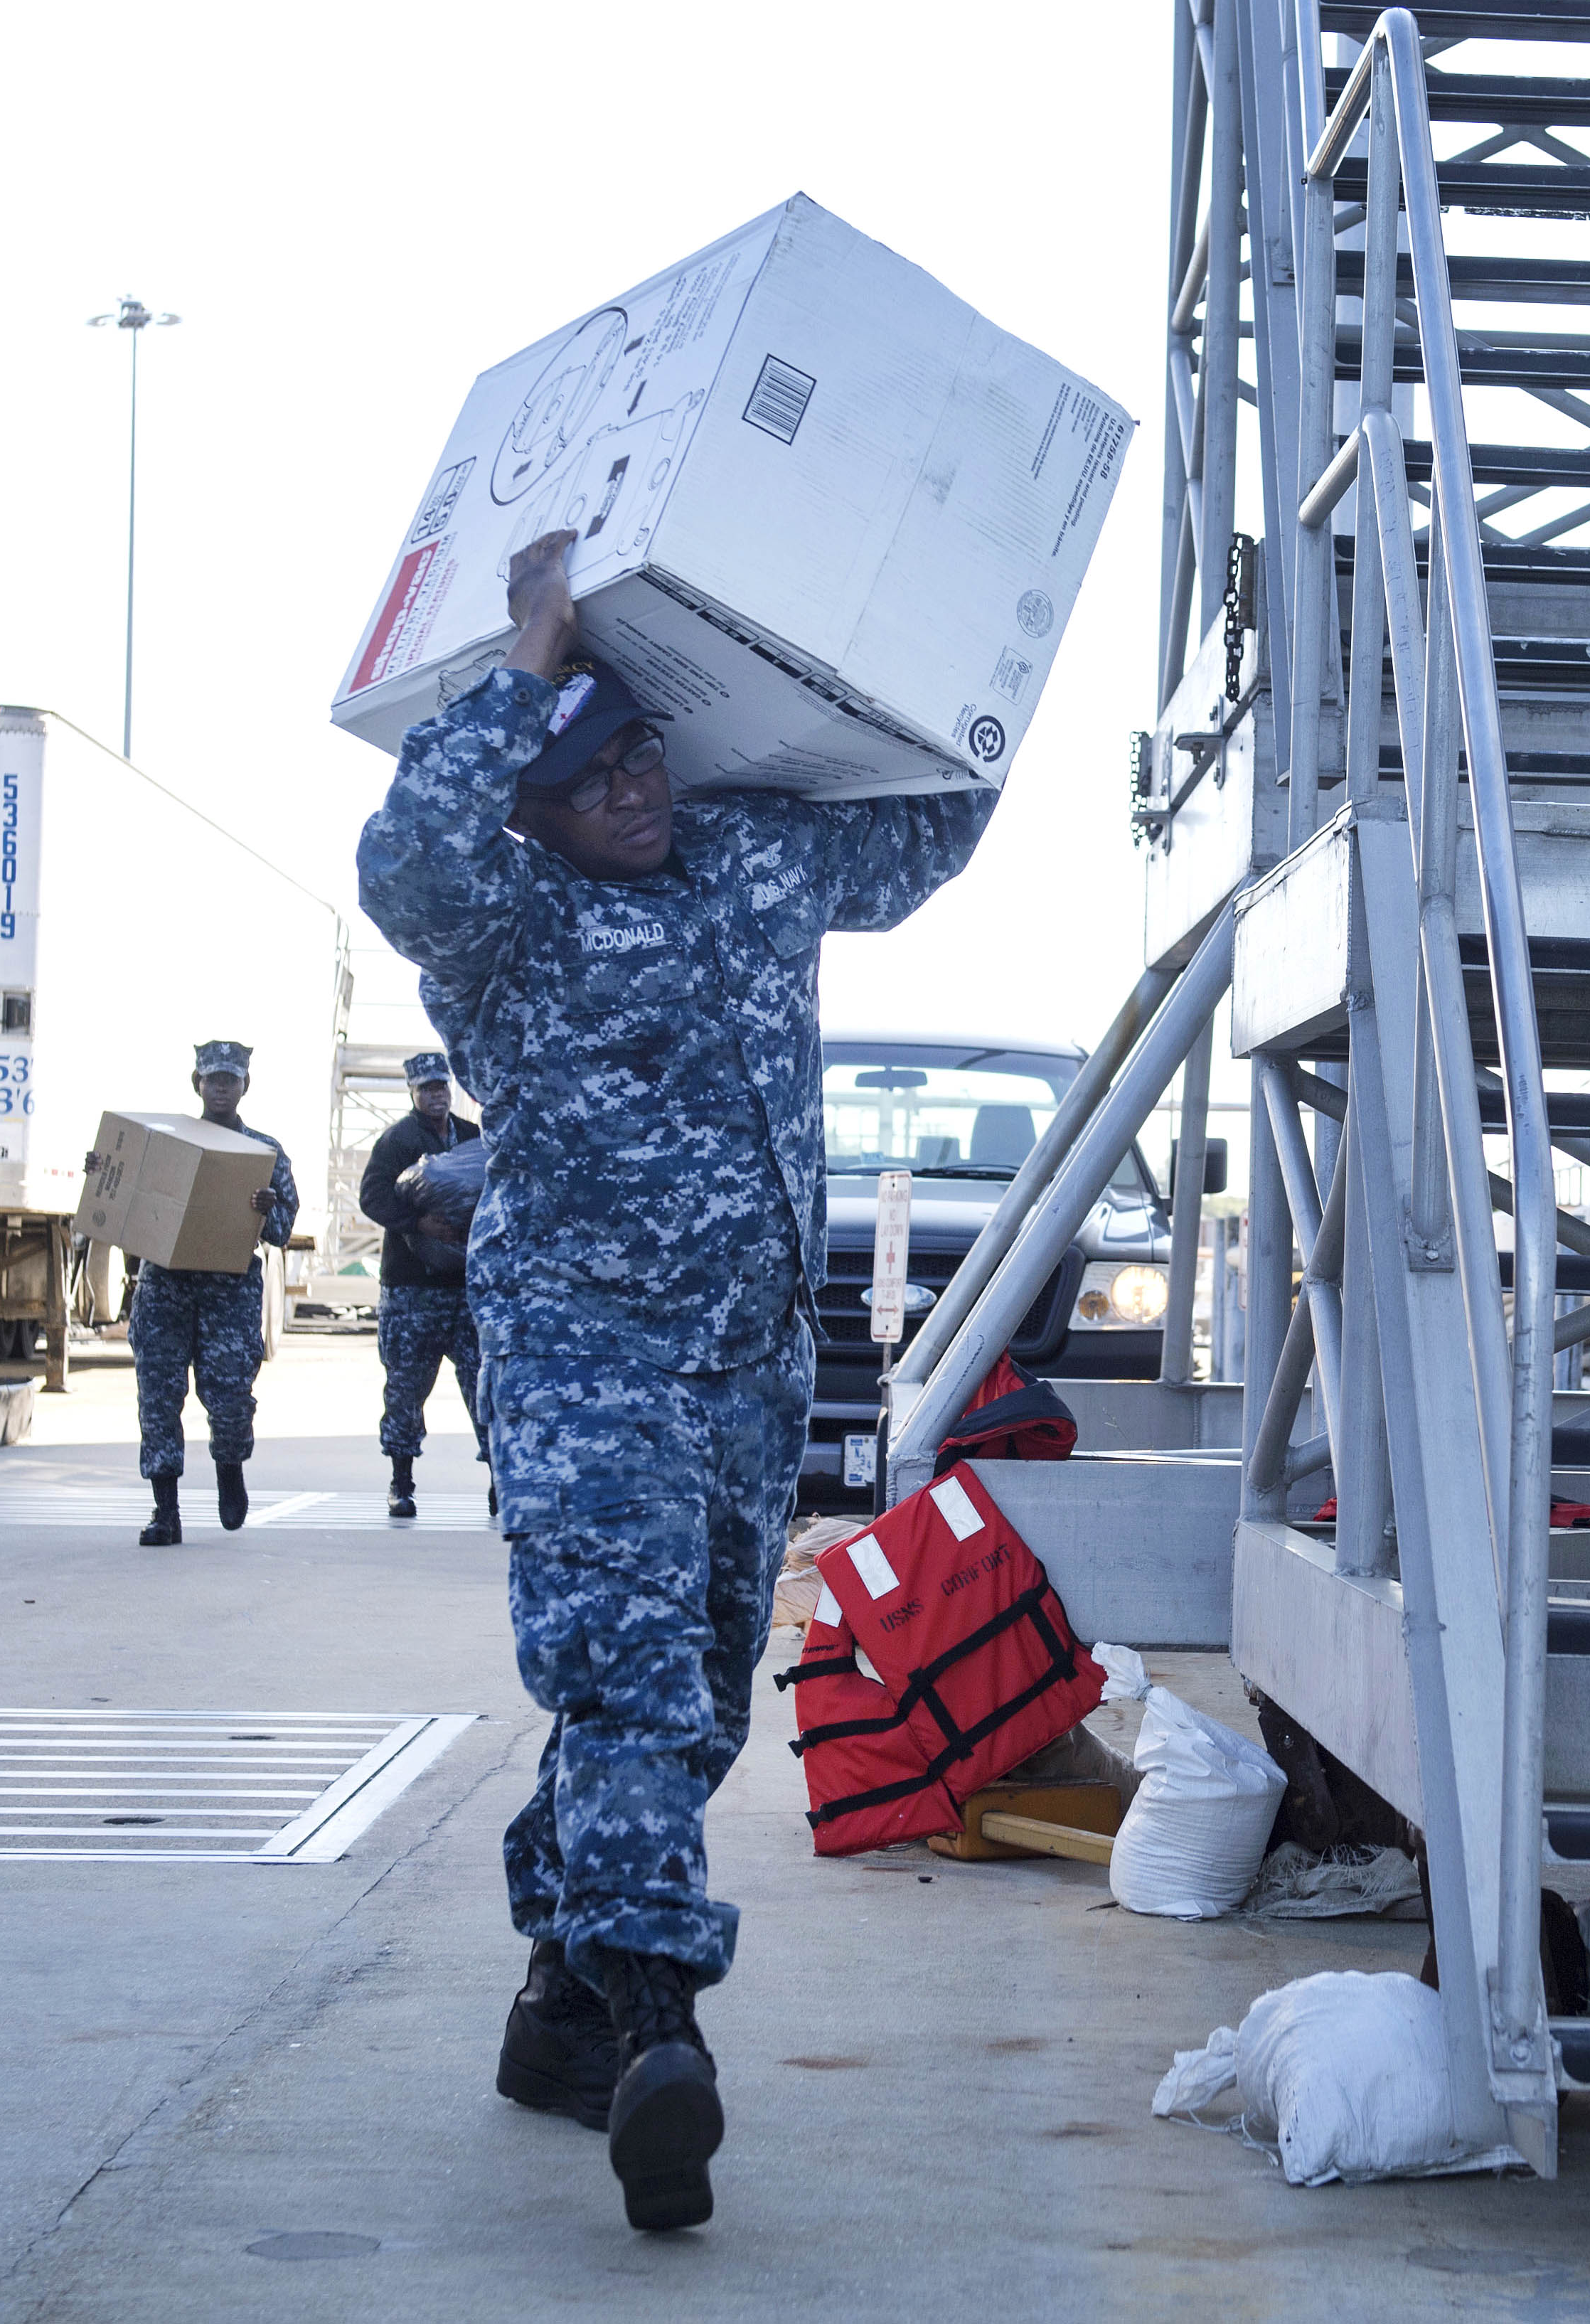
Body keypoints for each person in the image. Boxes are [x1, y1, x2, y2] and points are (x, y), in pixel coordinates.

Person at [356, 530, 992, 2234]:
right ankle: (659, 2031)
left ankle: (562, 1999)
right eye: (586, 769)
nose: (630, 784)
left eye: (641, 746)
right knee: (627, 1678)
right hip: (583, 1349)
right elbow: (404, 858)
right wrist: (527, 666)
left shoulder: (752, 859)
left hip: (752, 1360)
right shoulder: (497, 928)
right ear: (533, 800)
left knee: (699, 1699)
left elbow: (930, 824)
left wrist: (959, 639)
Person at [126, 1040, 297, 1547]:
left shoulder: (264, 1153)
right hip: (167, 1287)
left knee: (228, 1398)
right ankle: (165, 1511)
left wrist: (267, 1208)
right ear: (196, 1083)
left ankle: (229, 1469)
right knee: (158, 1398)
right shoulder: (167, 1142)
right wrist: (103, 1171)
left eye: (231, 1079)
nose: (222, 1087)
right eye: (213, 1078)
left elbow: (283, 1231)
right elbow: (126, 1196)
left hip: (228, 1292)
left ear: (246, 1086)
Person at [356, 1048, 487, 1518]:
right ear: (413, 1093)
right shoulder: (398, 1141)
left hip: (466, 1289)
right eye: (427, 1088)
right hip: (412, 1291)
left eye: (442, 1087)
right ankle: (401, 1482)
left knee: (486, 1386)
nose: (436, 1095)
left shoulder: (473, 1136)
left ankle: (500, 1481)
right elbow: (372, 1198)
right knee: (406, 1390)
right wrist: (417, 1224)